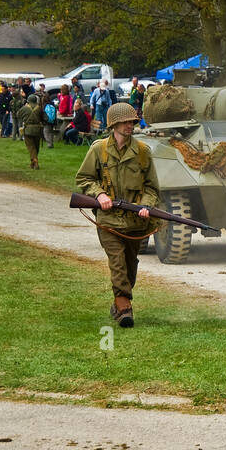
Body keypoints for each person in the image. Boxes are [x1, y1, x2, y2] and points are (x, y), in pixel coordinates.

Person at [74, 103, 156, 328]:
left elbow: (151, 187)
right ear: (114, 124)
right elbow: (83, 179)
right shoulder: (98, 150)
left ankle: (120, 299)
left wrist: (146, 205)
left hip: (135, 221)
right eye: (126, 122)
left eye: (132, 121)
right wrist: (99, 194)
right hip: (108, 220)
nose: (131, 125)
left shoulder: (142, 152)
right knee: (117, 261)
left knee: (130, 264)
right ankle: (124, 307)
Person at [21, 94, 47, 168]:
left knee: (31, 147)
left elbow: (18, 114)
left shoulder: (25, 108)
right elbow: (46, 118)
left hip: (28, 129)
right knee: (36, 147)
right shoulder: (39, 108)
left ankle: (35, 162)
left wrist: (25, 118)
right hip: (38, 130)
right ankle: (33, 163)